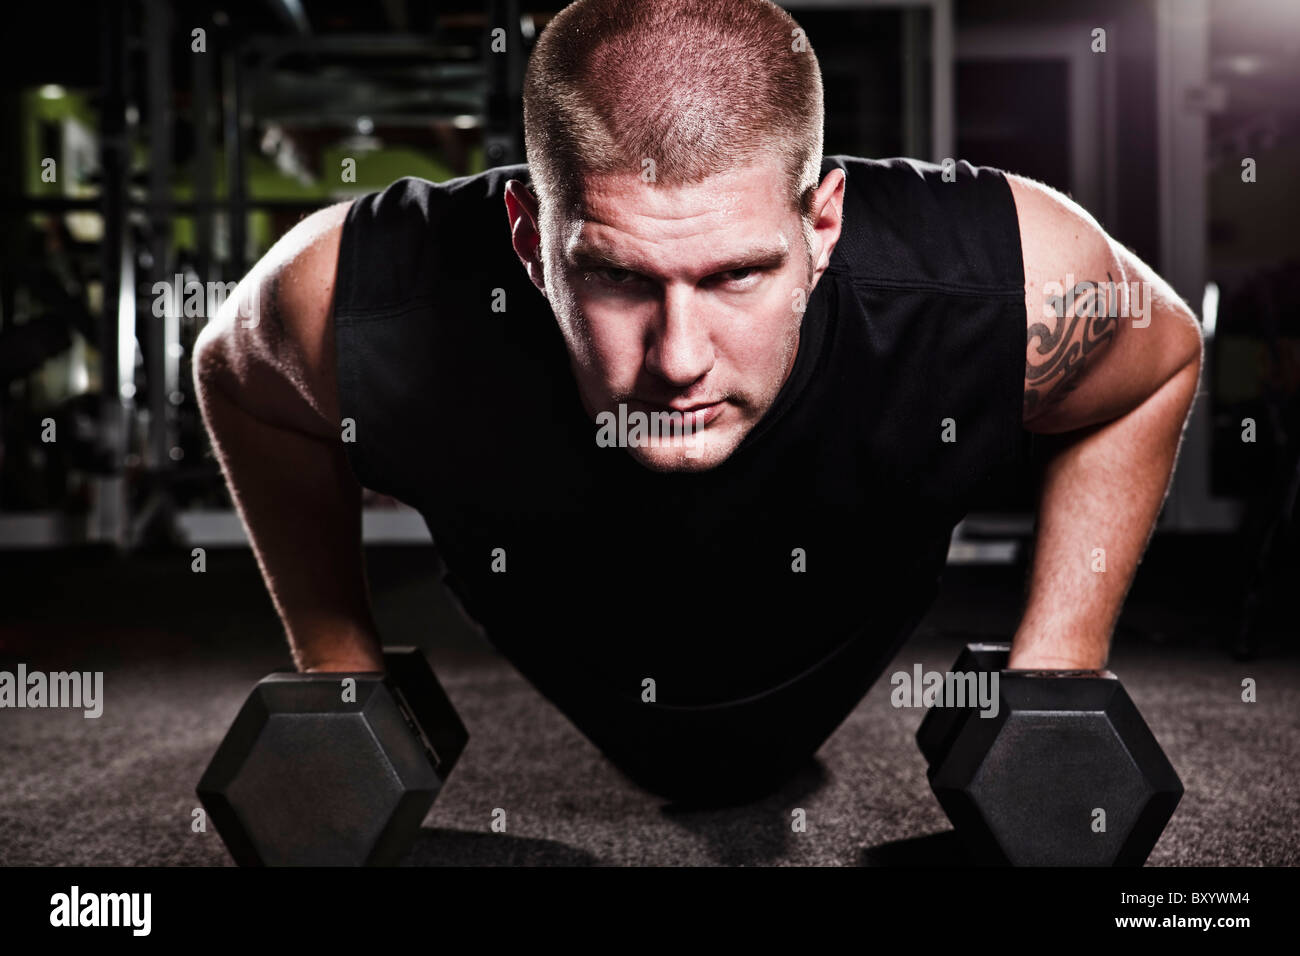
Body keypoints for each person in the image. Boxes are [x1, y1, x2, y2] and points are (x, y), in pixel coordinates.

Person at [193, 0, 1203, 804]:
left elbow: (1157, 362)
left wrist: (1055, 671)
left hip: (833, 635)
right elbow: (235, 381)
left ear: (823, 222)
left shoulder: (986, 280)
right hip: (570, 634)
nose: (678, 360)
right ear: (525, 235)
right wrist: (337, 663)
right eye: (620, 278)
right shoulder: (370, 300)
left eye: (734, 275)